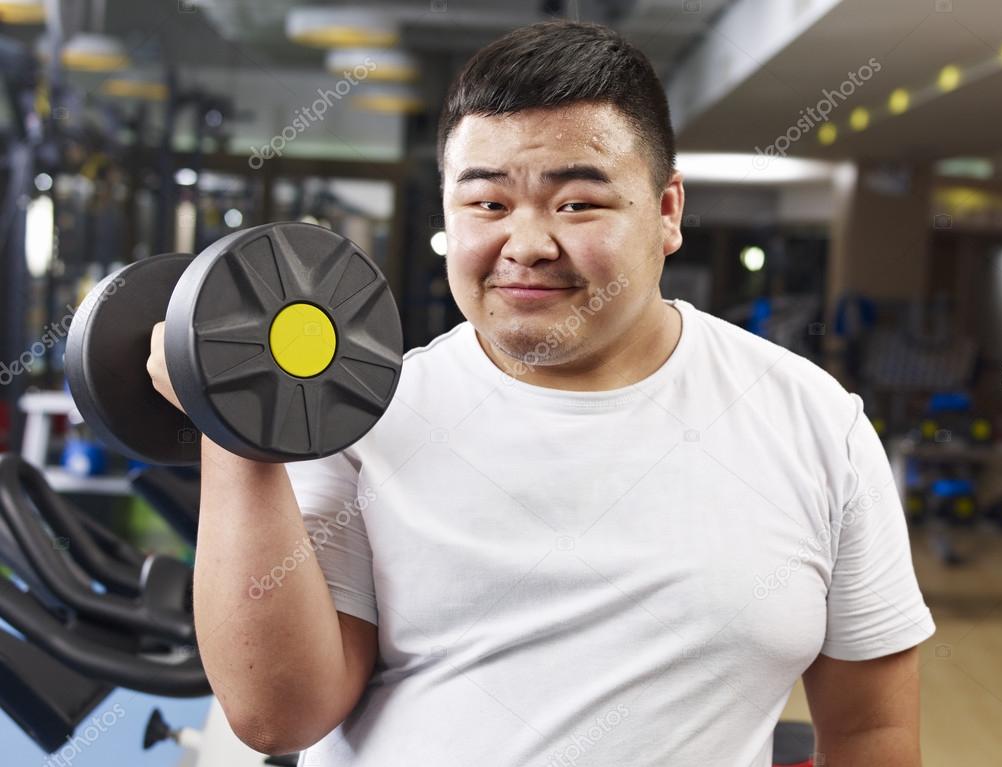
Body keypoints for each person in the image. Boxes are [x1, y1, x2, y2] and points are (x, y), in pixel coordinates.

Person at [149, 19, 935, 767]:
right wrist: (235, 419)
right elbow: (277, 713)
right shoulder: (364, 417)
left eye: (577, 203)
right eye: (486, 203)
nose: (524, 244)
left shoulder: (813, 422)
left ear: (666, 211)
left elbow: (870, 729)